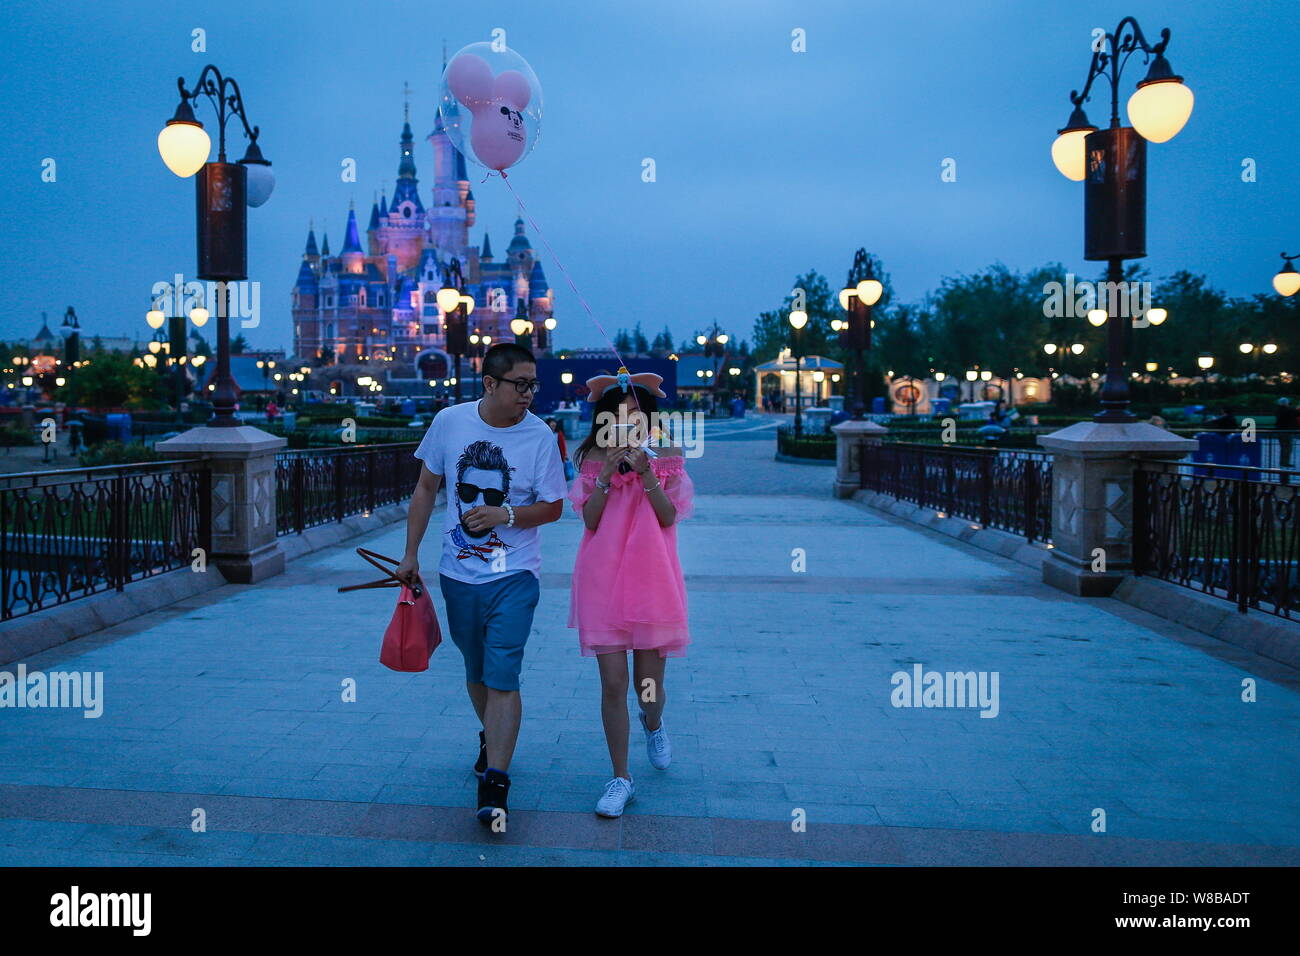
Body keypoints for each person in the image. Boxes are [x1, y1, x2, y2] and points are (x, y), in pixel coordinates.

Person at [397, 343, 567, 830]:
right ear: (490, 384)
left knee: (503, 673)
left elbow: (554, 506)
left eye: (533, 384)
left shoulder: (540, 436)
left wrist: (505, 513)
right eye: (520, 384)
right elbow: (426, 489)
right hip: (457, 575)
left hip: (515, 574)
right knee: (476, 670)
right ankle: (489, 737)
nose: (529, 393)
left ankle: (495, 782)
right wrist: (410, 554)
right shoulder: (450, 422)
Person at [567, 370, 694, 818]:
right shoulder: (592, 457)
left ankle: (653, 723)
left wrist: (647, 475)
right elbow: (591, 521)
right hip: (601, 575)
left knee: (647, 687)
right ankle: (621, 778)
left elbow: (667, 518)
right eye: (617, 418)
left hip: (651, 577)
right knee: (613, 684)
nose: (627, 426)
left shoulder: (667, 456)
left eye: (636, 418)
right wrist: (604, 475)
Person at [546, 416, 573, 481]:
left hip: (557, 457)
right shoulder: (545, 433)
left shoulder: (559, 433)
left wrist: (564, 456)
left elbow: (563, 446)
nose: (553, 424)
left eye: (554, 422)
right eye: (551, 422)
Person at [1274, 397, 1299, 467]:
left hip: (1280, 431)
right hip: (1286, 432)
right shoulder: (1289, 410)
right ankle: (1285, 463)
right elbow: (1297, 413)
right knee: (1287, 448)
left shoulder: (1278, 410)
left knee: (1283, 448)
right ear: (1287, 403)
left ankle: (1283, 462)